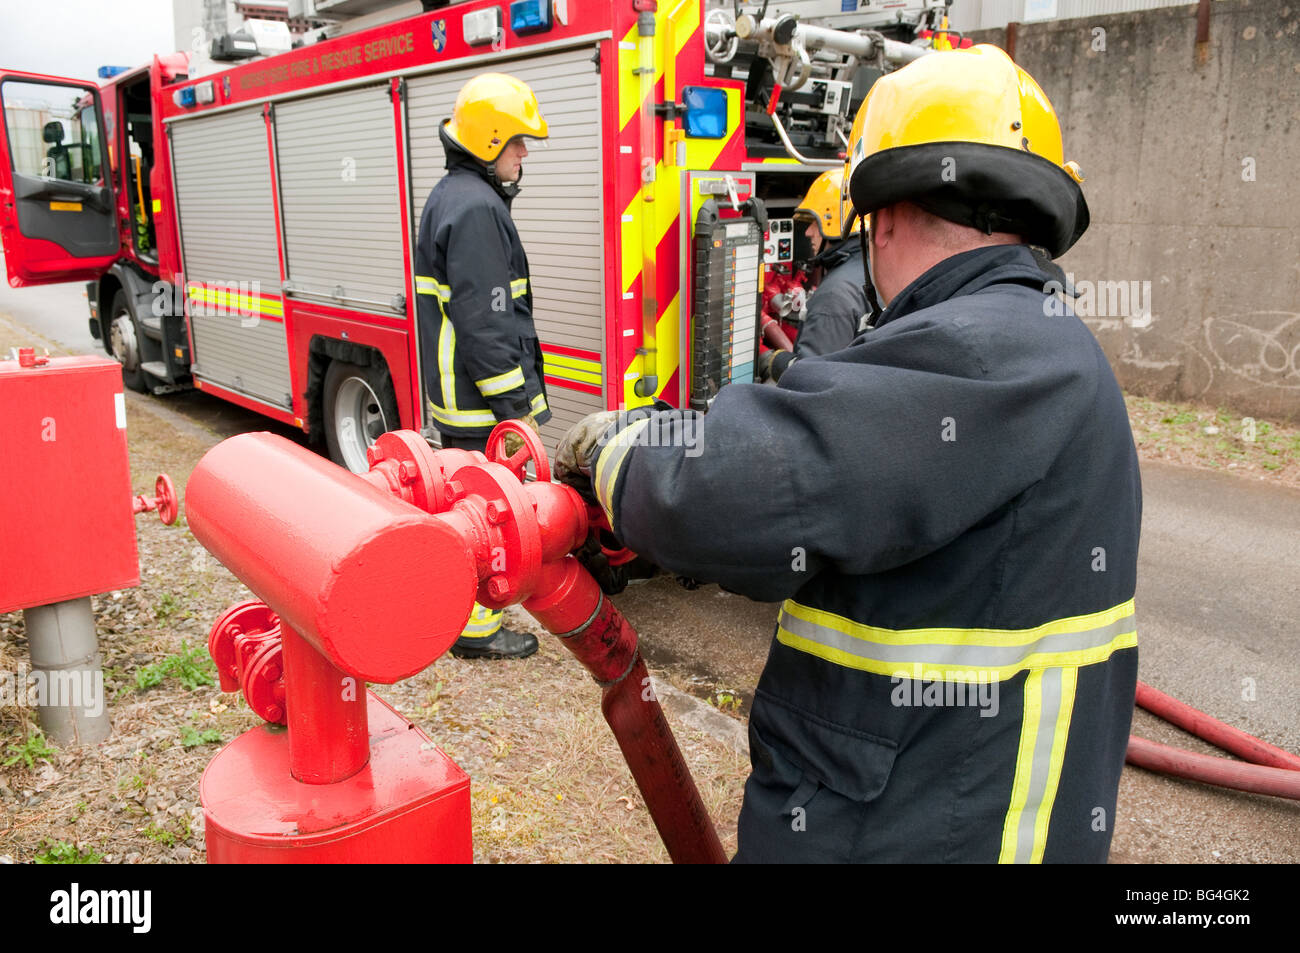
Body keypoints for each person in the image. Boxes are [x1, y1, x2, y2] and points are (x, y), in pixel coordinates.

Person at [555, 45, 1140, 862]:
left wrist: (617, 451)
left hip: (931, 827)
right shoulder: (1038, 342)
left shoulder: (979, 355)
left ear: (888, 216)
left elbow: (741, 490)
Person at [416, 73, 551, 660]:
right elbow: (487, 324)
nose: (524, 154)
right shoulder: (475, 209)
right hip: (477, 399)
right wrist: (514, 412)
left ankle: (458, 614)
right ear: (492, 141)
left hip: (460, 393)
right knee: (480, 513)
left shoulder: (458, 195)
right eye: (518, 142)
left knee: (461, 508)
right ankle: (474, 631)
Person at [761, 169, 870, 383]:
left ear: (834, 222)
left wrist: (774, 361)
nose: (808, 232)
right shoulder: (870, 269)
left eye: (814, 223)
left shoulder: (834, 297)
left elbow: (811, 382)